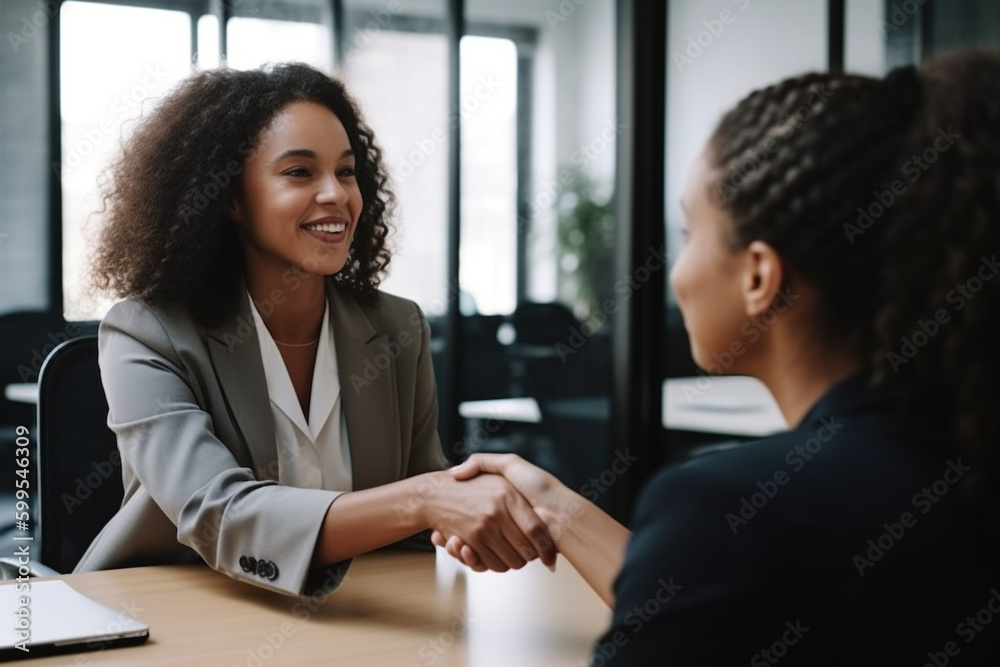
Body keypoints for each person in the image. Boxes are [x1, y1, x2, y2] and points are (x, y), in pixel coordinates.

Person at [435, 49, 1000, 664]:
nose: (676, 272)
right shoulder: (956, 454)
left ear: (759, 274)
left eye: (688, 235)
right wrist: (555, 507)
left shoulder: (724, 509)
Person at [78, 62, 555, 597]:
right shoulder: (147, 332)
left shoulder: (397, 328)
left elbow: (421, 523)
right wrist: (425, 499)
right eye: (299, 172)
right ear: (230, 197)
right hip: (176, 610)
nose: (336, 195)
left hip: (353, 616)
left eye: (346, 171)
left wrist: (478, 514)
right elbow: (216, 512)